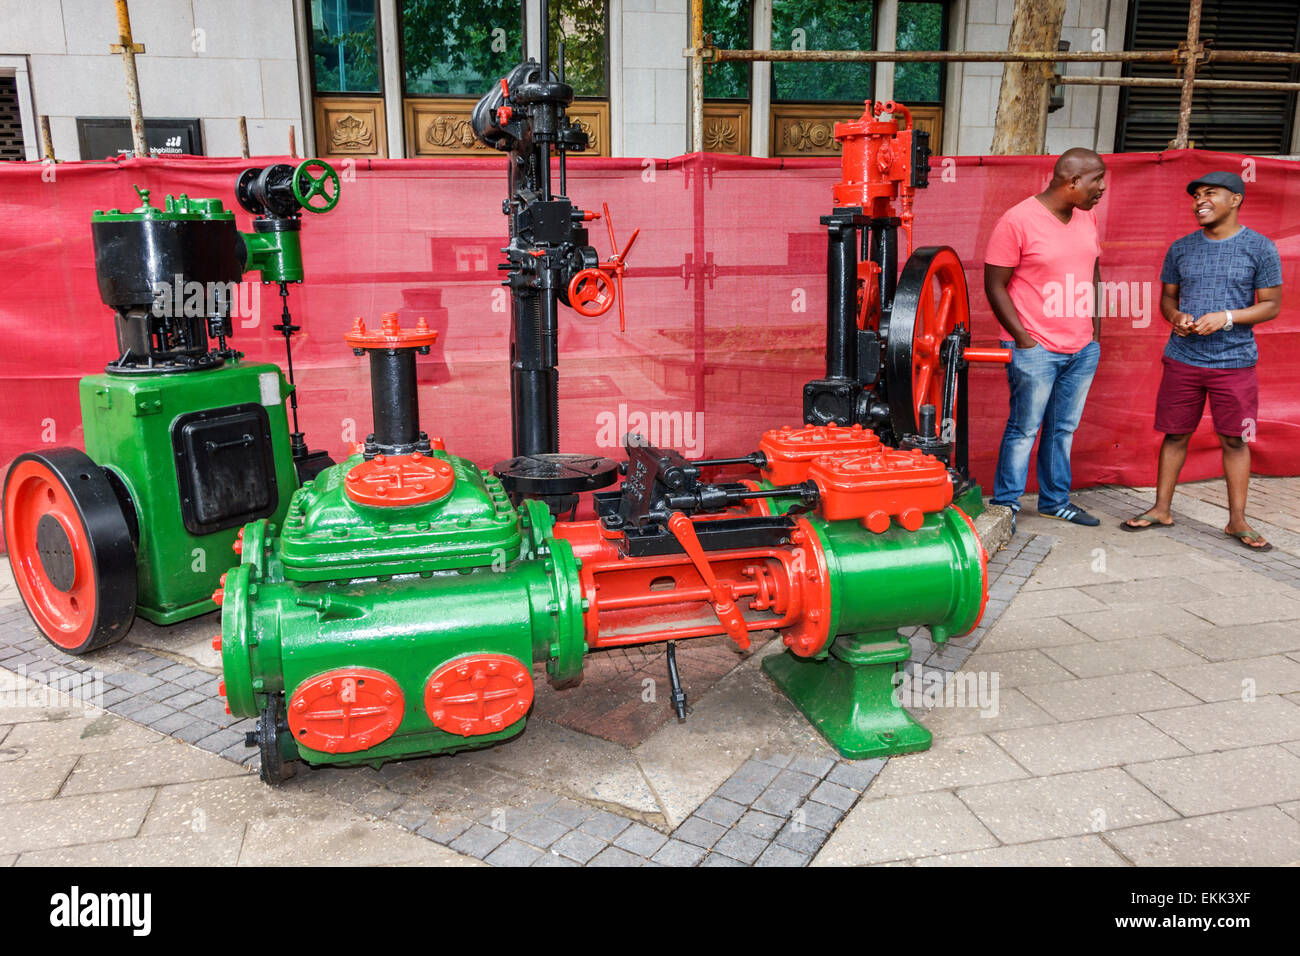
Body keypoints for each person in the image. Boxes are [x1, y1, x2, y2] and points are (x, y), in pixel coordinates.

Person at [1122, 171, 1282, 549]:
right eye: (1196, 196)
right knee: (1175, 434)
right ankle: (1161, 509)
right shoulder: (1181, 248)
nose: (1200, 201)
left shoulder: (1261, 248)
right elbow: (1168, 300)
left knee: (1234, 440)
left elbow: (1272, 306)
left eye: (1211, 194)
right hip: (1183, 359)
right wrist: (1175, 317)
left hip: (1235, 362)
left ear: (1236, 199)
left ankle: (1237, 521)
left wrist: (1226, 317)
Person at [984, 147, 1107, 528]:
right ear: (1072, 182)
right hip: (1035, 346)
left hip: (1081, 347)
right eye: (1097, 179)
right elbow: (994, 284)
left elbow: (1093, 273)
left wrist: (1095, 332)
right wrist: (1022, 338)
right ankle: (1007, 505)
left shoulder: (1087, 218)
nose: (1101, 188)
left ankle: (1055, 501)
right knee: (1024, 429)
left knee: (1062, 429)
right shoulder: (1017, 220)